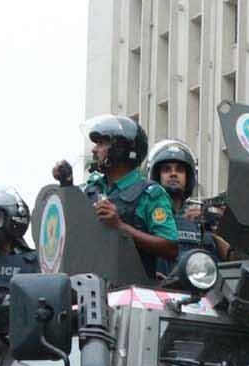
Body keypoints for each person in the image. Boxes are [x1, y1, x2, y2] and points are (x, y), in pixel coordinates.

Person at [52, 114, 180, 277]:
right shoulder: (92, 190)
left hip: (132, 295)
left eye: (101, 143)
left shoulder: (150, 194)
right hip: (87, 290)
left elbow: (170, 248)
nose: (94, 149)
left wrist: (120, 226)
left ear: (121, 148)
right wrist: (66, 185)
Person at [145, 138, 232, 262]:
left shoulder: (202, 218)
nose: (173, 174)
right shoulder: (145, 214)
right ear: (157, 176)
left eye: (180, 169)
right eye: (166, 169)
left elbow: (233, 260)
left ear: (189, 177)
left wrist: (213, 230)